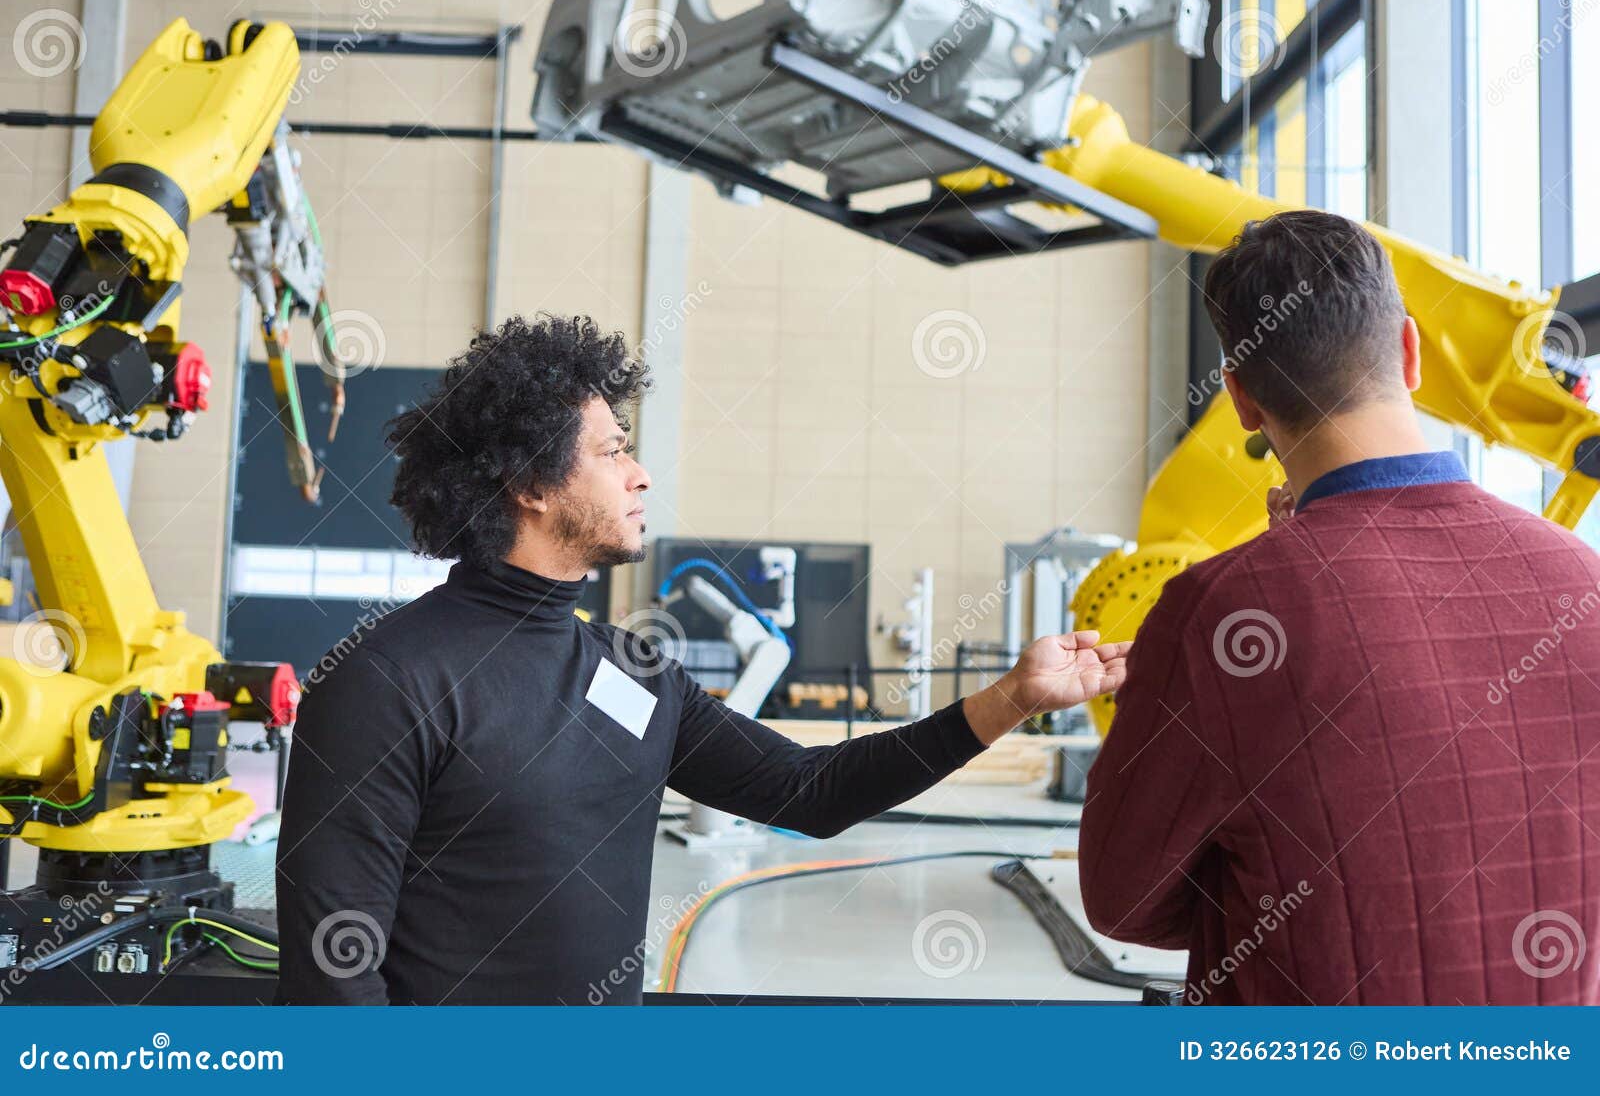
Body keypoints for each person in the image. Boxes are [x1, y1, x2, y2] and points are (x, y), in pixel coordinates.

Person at [274, 313, 1131, 1004]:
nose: (640, 474)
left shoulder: (633, 672)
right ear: (529, 486)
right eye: (612, 451)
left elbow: (811, 792)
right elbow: (333, 976)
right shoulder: (385, 681)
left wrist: (1013, 697)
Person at [1079, 209, 1600, 1004]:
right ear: (1411, 352)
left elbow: (1123, 898)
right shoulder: (1582, 577)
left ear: (1242, 399)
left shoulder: (1219, 611)